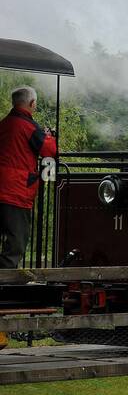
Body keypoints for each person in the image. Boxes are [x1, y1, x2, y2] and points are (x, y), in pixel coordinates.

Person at [0, 86, 58, 271]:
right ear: (32, 104)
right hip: (16, 191)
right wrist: (49, 136)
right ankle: (5, 280)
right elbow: (49, 151)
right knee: (16, 240)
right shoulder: (29, 127)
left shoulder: (3, 124)